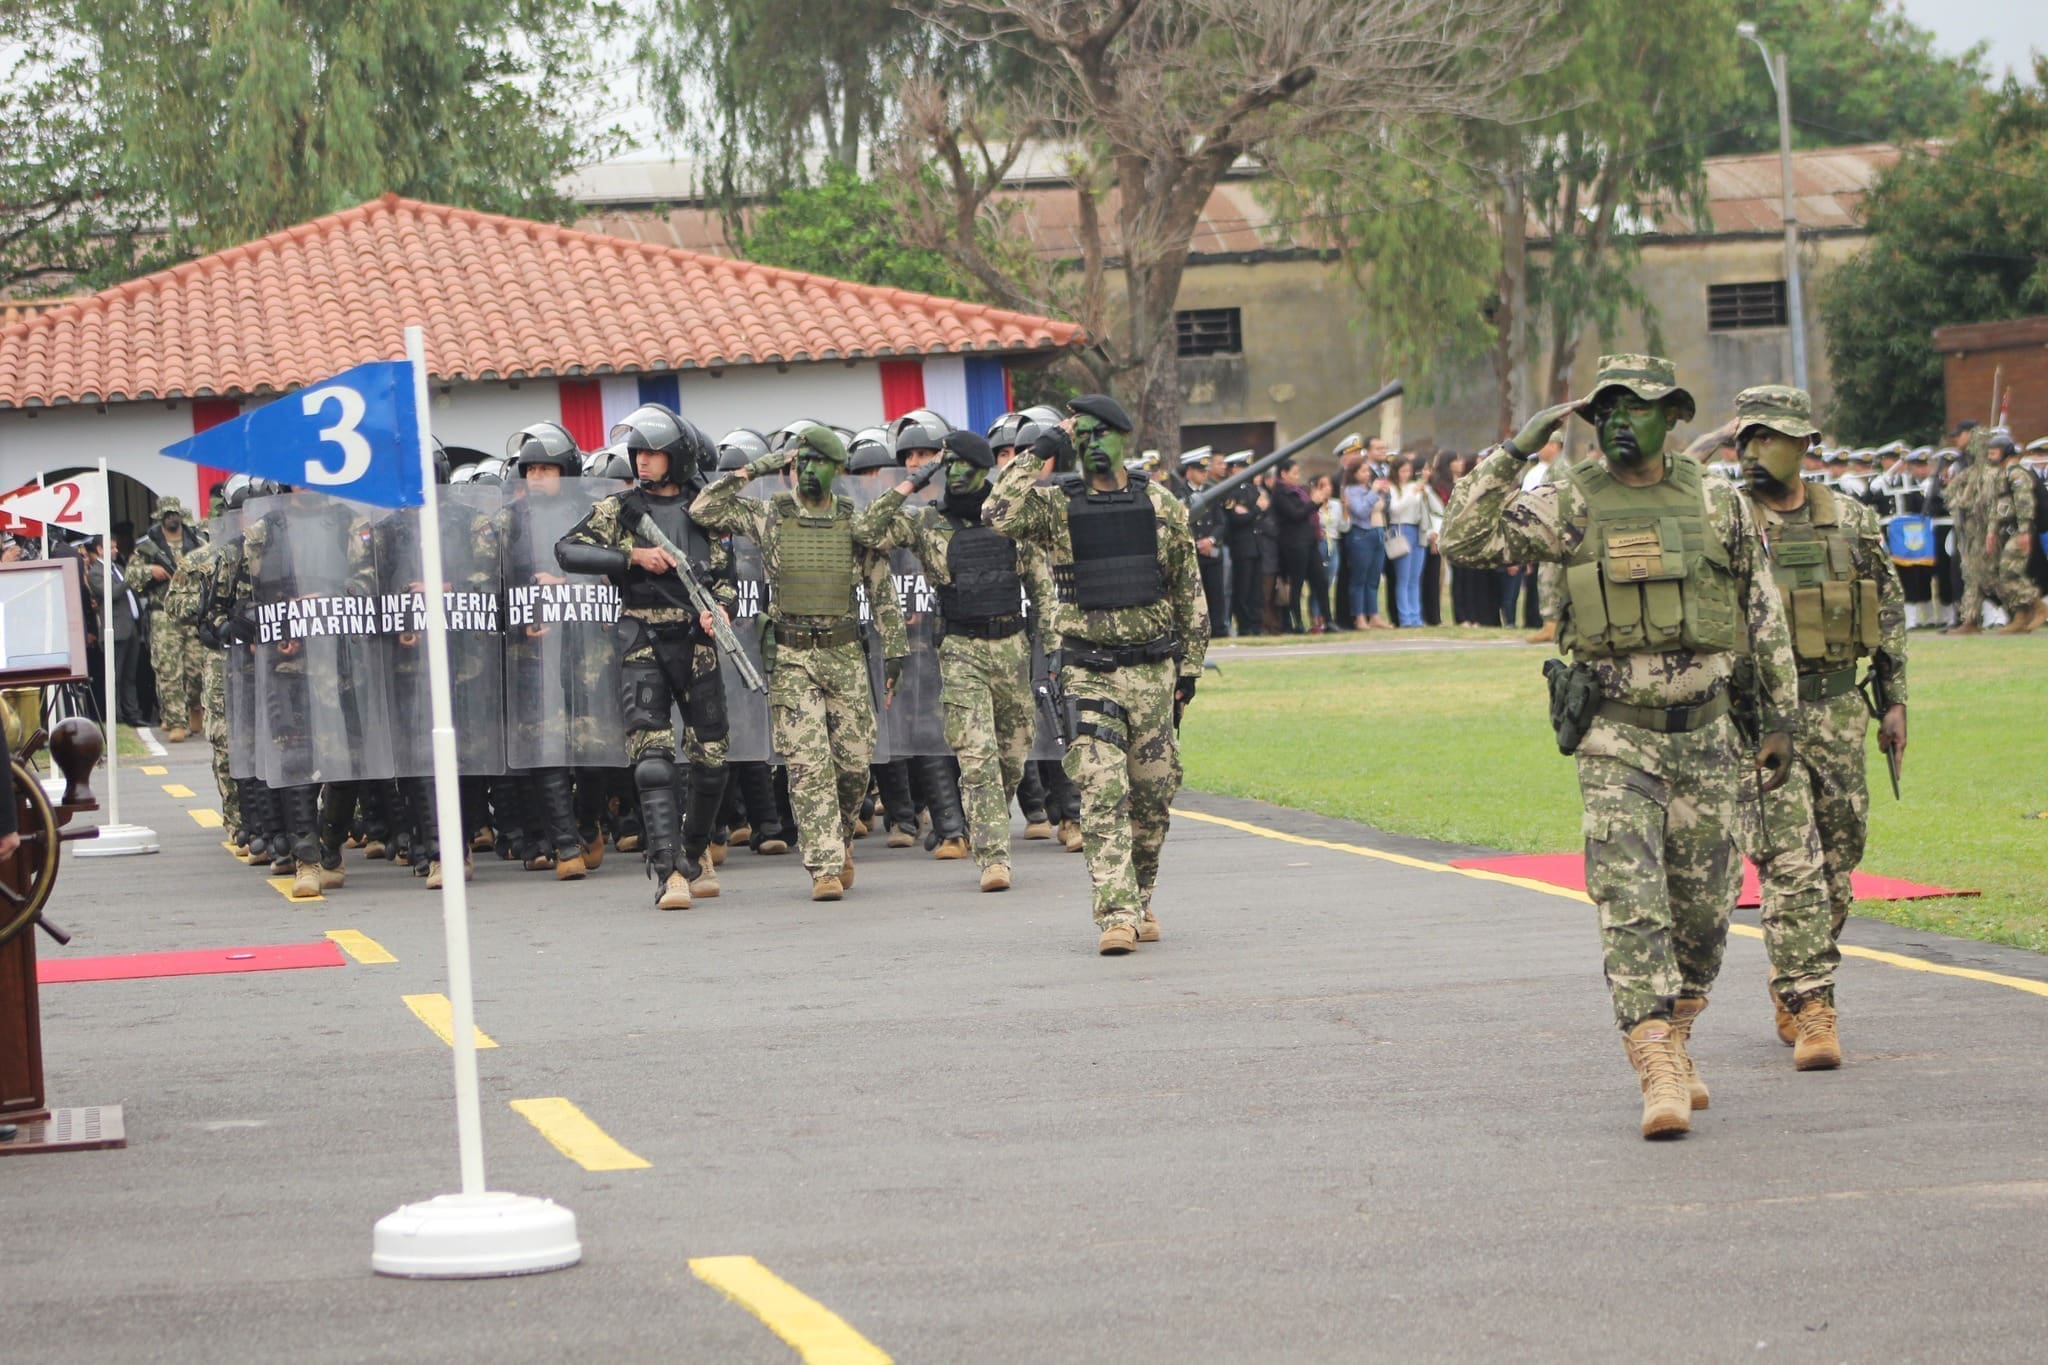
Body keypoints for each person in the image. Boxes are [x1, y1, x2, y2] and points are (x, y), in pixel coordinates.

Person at [1442, 354, 1799, 1140]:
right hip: (1616, 738)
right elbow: (1460, 540)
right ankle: (1654, 1060)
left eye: (1633, 408)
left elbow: (1761, 610)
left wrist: (1779, 719)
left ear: (1671, 414)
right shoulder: (1569, 500)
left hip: (1706, 737)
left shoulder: (1716, 501)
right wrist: (1513, 453)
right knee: (1631, 906)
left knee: (1703, 917)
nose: (1615, 422)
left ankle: (1678, 1031)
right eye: (1602, 409)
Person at [984, 394, 1209, 955]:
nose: (1090, 445)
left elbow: (1189, 590)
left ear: (1121, 439)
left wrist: (1191, 669)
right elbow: (997, 513)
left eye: (1098, 434)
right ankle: (1117, 913)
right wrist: (1039, 452)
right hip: (1088, 670)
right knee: (1102, 790)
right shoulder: (1057, 506)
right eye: (1080, 436)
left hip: (1154, 671)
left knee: (1154, 793)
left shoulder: (1161, 505)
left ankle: (1141, 894)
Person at [1728, 385, 1908, 1072]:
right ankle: (1812, 1005)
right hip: (1759, 717)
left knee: (1838, 861)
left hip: (1837, 711)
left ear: (1804, 443)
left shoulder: (1851, 520)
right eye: (1745, 437)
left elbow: (1887, 611)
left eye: (1767, 436)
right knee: (1792, 861)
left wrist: (1893, 700)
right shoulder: (1729, 521)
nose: (1751, 450)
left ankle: (1791, 972)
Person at [692, 422, 907, 901]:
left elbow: (881, 589)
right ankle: (825, 865)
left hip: (845, 653)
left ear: (837, 470)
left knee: (853, 765)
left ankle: (842, 834)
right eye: (799, 462)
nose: (807, 470)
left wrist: (896, 650)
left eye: (817, 462)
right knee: (808, 765)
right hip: (791, 656)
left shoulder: (856, 521)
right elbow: (704, 508)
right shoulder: (771, 515)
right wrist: (757, 467)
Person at [853, 429, 1054, 892]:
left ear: (982, 470)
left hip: (1012, 648)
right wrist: (913, 480)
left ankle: (980, 820)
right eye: (948, 465)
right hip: (960, 649)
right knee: (977, 756)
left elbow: (1041, 588)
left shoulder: (1009, 517)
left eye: (962, 465)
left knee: (1012, 756)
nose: (954, 473)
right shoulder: (928, 521)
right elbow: (866, 529)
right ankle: (994, 858)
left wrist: (1051, 652)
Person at [560, 407, 735, 909]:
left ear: (675, 458)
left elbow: (728, 578)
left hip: (698, 645)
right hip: (642, 640)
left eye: (652, 452)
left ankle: (694, 853)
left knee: (711, 759)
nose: (642, 460)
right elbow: (567, 550)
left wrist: (720, 610)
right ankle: (667, 873)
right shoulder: (620, 510)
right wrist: (631, 557)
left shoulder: (706, 510)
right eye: (637, 452)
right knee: (652, 761)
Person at [129, 497, 209, 741]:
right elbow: (130, 575)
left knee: (197, 670)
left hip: (192, 613)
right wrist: (149, 571)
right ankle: (176, 721)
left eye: (175, 514)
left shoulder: (197, 542)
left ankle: (195, 705)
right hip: (163, 614)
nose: (172, 518)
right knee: (168, 670)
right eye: (167, 515)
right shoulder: (149, 546)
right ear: (160, 518)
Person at [1982, 434, 2046, 633]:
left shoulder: (2017, 474)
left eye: (1994, 453)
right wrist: (1992, 531)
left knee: (2009, 573)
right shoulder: (2002, 475)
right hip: (2005, 530)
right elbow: (1997, 506)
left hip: (2019, 531)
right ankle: (2020, 617)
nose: (1991, 457)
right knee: (2005, 574)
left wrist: (2025, 531)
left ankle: (2038, 606)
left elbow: (2025, 504)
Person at [1269, 460, 1318, 633]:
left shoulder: (1299, 491)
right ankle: (1295, 621)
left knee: (1319, 580)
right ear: (1284, 473)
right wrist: (1313, 503)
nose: (1298, 477)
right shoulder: (1281, 493)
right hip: (1293, 543)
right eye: (1294, 473)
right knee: (1295, 584)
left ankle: (1323, 619)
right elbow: (1295, 514)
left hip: (1308, 540)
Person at [1342, 460, 1389, 630]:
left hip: (1378, 532)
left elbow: (1384, 507)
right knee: (1359, 579)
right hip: (1361, 534)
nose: (1367, 474)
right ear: (1354, 473)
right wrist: (1374, 492)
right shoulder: (1351, 490)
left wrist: (1383, 492)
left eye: (1368, 471)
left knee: (1374, 578)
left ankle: (1374, 615)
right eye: (1362, 471)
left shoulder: (1369, 488)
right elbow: (1360, 511)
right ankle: (1360, 617)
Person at [1385, 457, 1427, 627]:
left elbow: (1424, 509)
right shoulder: (1393, 488)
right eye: (1403, 471)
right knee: (1403, 577)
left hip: (1417, 529)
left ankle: (1416, 616)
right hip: (1401, 529)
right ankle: (1405, 617)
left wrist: (1422, 493)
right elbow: (1395, 508)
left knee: (1414, 577)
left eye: (1408, 471)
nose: (1406, 474)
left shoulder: (1413, 486)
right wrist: (1413, 494)